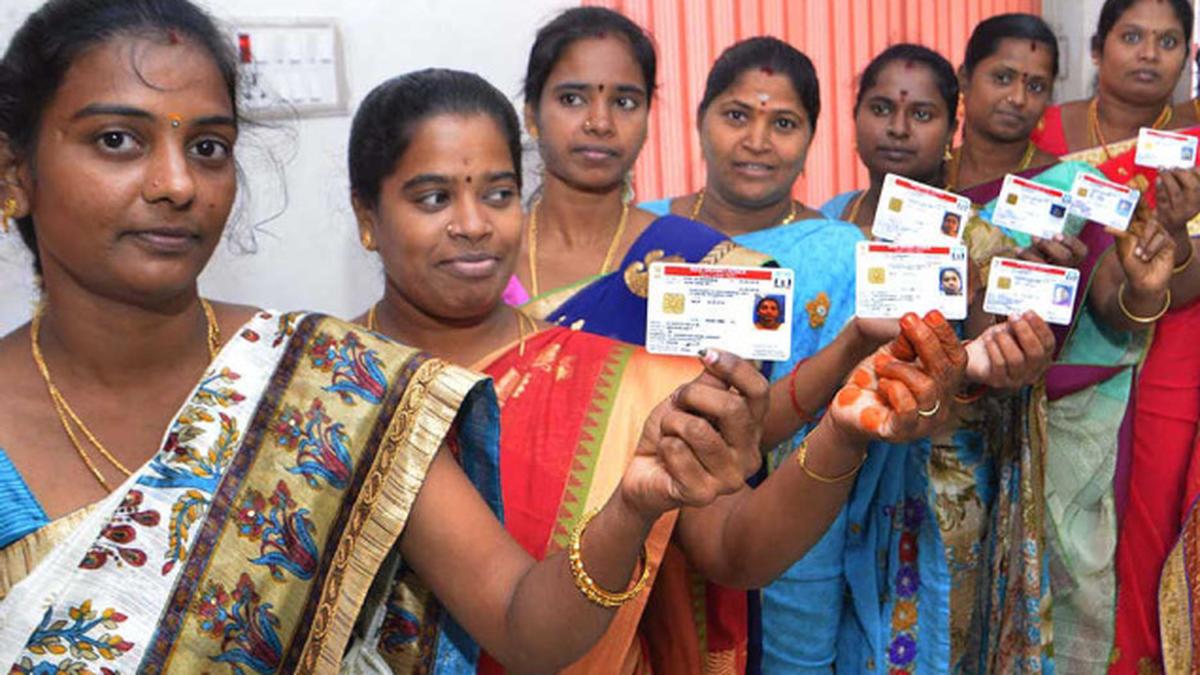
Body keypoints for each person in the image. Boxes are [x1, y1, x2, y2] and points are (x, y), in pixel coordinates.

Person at [0, 3, 785, 673]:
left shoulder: (324, 375)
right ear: (14, 172)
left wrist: (629, 507)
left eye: (208, 146)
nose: (176, 182)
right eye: (117, 140)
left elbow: (523, 620)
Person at [344, 67, 968, 674]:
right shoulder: (333, 385)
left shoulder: (618, 375)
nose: (475, 224)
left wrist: (843, 432)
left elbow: (734, 552)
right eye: (433, 198)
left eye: (499, 194)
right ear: (367, 216)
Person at [510, 7, 773, 347]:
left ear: (647, 117)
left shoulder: (690, 257)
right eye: (572, 99)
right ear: (532, 115)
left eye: (625, 102)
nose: (600, 123)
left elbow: (734, 395)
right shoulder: (485, 254)